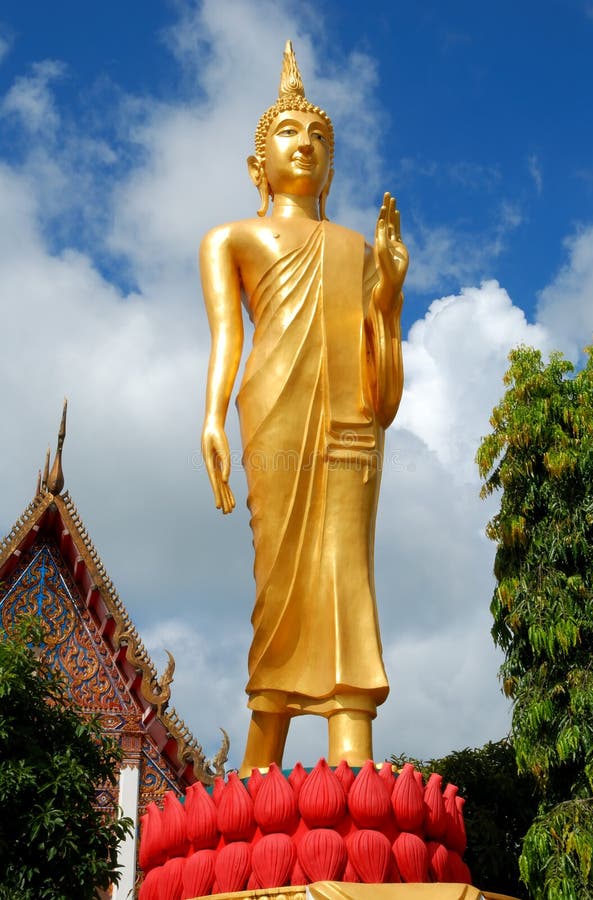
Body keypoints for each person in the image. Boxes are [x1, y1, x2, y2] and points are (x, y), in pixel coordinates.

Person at [200, 42, 408, 777]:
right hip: (273, 411)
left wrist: (388, 294)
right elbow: (229, 338)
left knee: (346, 563)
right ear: (259, 166)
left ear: (333, 164)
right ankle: (265, 747)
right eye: (289, 133)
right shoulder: (231, 237)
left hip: (349, 418)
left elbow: (382, 379)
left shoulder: (353, 246)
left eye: (320, 137)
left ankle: (351, 737)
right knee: (279, 573)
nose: (306, 145)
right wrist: (211, 417)